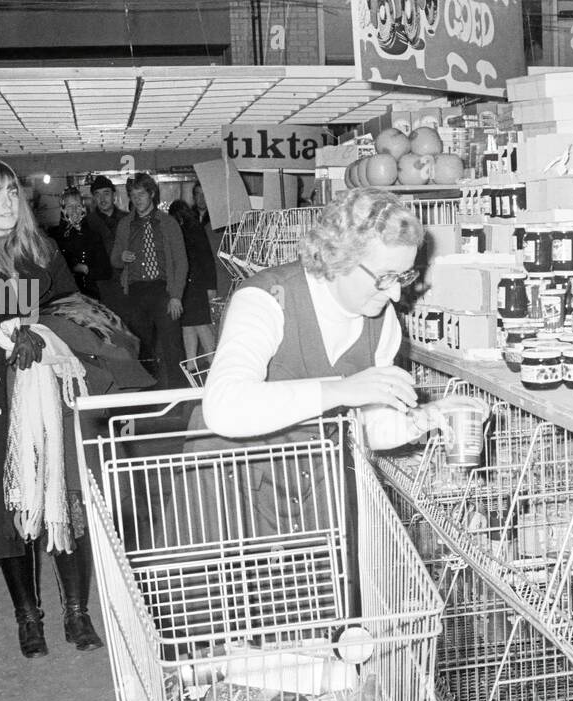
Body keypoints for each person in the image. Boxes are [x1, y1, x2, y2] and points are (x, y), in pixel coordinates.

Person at [193, 188, 456, 551]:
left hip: (314, 488)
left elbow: (371, 425)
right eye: (385, 276)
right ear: (338, 258)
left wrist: (422, 420)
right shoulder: (266, 298)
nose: (396, 294)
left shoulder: (383, 321)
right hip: (231, 488)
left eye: (404, 277)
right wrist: (341, 389)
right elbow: (223, 407)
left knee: (313, 599)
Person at [0, 158, 105, 659]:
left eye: (12, 192)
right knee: (12, 514)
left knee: (64, 502)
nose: (8, 202)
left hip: (49, 394)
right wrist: (3, 339)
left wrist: (46, 333)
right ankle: (29, 618)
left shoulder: (41, 251)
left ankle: (77, 612)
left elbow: (75, 308)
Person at [110, 173, 188, 389]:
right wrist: (121, 257)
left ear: (152, 194)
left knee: (172, 347)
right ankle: (146, 393)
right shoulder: (125, 224)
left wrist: (175, 296)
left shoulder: (168, 223)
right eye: (133, 195)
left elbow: (181, 262)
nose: (137, 200)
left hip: (163, 290)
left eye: (141, 194)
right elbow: (114, 259)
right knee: (140, 347)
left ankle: (180, 394)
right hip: (135, 291)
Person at [167, 198, 220, 373]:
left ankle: (205, 361)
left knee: (193, 323)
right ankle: (202, 361)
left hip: (190, 285)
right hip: (197, 284)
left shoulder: (184, 231)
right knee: (195, 323)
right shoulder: (195, 228)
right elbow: (207, 259)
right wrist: (210, 285)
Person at [48, 187, 111, 300]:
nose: (74, 210)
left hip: (90, 296)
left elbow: (106, 271)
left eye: (77, 206)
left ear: (83, 208)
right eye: (70, 206)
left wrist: (86, 269)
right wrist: (74, 268)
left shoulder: (93, 236)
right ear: (63, 209)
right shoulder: (54, 238)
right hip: (62, 298)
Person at [86, 175, 127, 316]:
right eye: (97, 194)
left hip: (128, 284)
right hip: (101, 287)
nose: (102, 199)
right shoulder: (87, 223)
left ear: (114, 195)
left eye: (106, 193)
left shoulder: (127, 220)